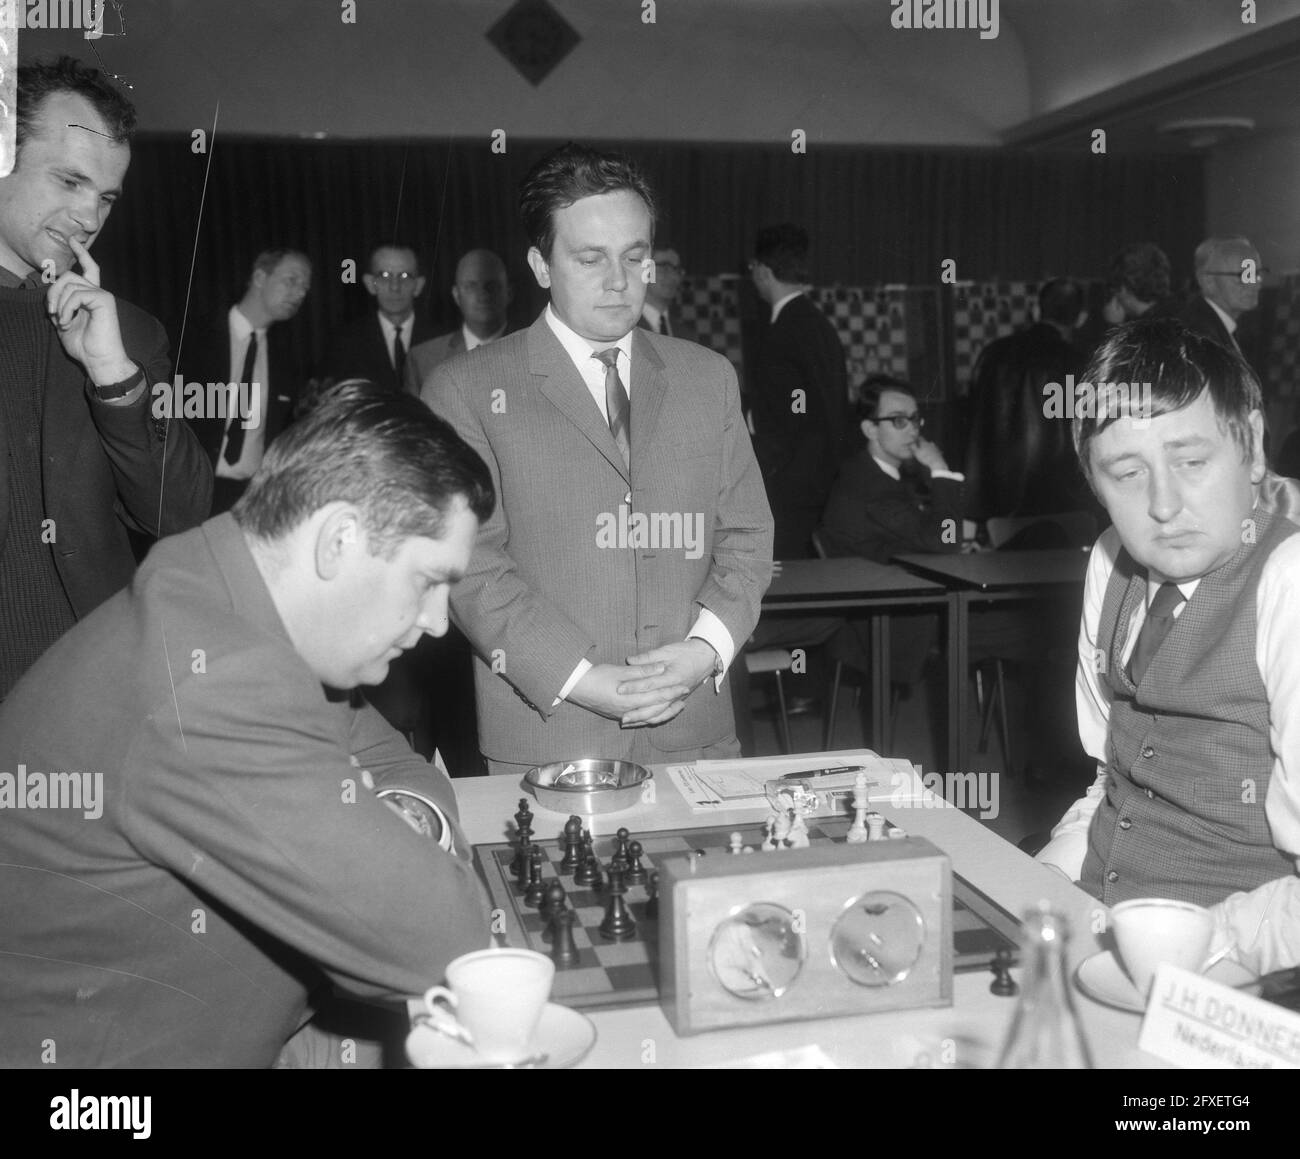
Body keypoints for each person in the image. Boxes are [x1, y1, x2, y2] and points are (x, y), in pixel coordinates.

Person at [0, 381, 496, 1067]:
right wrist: (374, 843)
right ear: (339, 539)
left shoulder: (222, 592)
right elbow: (447, 940)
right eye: (428, 580)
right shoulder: (213, 679)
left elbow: (398, 767)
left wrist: (392, 814)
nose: (440, 621)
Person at [423, 143, 773, 776]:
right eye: (590, 258)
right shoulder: (465, 388)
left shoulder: (708, 377)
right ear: (539, 265)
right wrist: (581, 678)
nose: (619, 281)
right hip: (548, 730)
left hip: (694, 730)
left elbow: (748, 536)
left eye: (635, 257)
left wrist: (702, 650)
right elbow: (468, 564)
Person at [1036, 317, 1300, 973]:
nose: (1163, 504)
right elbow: (1112, 777)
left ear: (1254, 446)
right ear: (1092, 484)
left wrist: (1196, 946)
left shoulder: (1289, 581)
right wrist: (1041, 882)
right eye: (1126, 472)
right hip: (1102, 916)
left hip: (1241, 956)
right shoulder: (1110, 560)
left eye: (1191, 461)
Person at [0, 56, 212, 702]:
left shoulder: (127, 333)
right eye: (69, 181)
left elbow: (182, 518)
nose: (89, 216)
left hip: (95, 708)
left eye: (106, 197)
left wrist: (113, 376)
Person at [181, 248, 313, 513]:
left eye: (305, 288)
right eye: (292, 280)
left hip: (247, 500)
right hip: (189, 490)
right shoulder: (195, 339)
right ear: (260, 277)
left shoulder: (286, 359)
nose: (300, 294)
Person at [747, 223, 851, 559]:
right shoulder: (819, 325)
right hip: (824, 482)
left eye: (752, 269)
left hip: (790, 488)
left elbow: (790, 413)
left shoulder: (782, 333)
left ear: (763, 271)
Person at [963, 278, 1090, 519]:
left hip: (995, 502)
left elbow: (973, 425)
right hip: (1057, 503)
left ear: (1035, 310)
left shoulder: (992, 355)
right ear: (1081, 318)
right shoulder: (1076, 363)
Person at [820, 377, 963, 564]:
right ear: (871, 430)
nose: (913, 430)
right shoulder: (871, 487)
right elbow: (947, 542)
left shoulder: (863, 470)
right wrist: (940, 468)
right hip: (870, 586)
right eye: (899, 420)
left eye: (915, 419)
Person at [319, 242, 436, 393]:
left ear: (418, 285)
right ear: (370, 284)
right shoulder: (345, 344)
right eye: (384, 276)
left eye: (405, 276)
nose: (395, 286)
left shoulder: (441, 340)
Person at [404, 248, 513, 394]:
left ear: (508, 293)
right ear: (456, 295)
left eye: (491, 285)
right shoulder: (422, 359)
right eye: (471, 286)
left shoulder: (534, 350)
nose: (482, 295)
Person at [1101, 242, 1171, 326]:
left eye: (1115, 289)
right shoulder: (1179, 317)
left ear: (1124, 289)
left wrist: (1114, 326)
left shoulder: (1142, 330)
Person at [638, 244, 693, 341]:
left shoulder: (685, 334)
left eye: (676, 270)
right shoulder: (626, 329)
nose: (673, 276)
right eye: (664, 267)